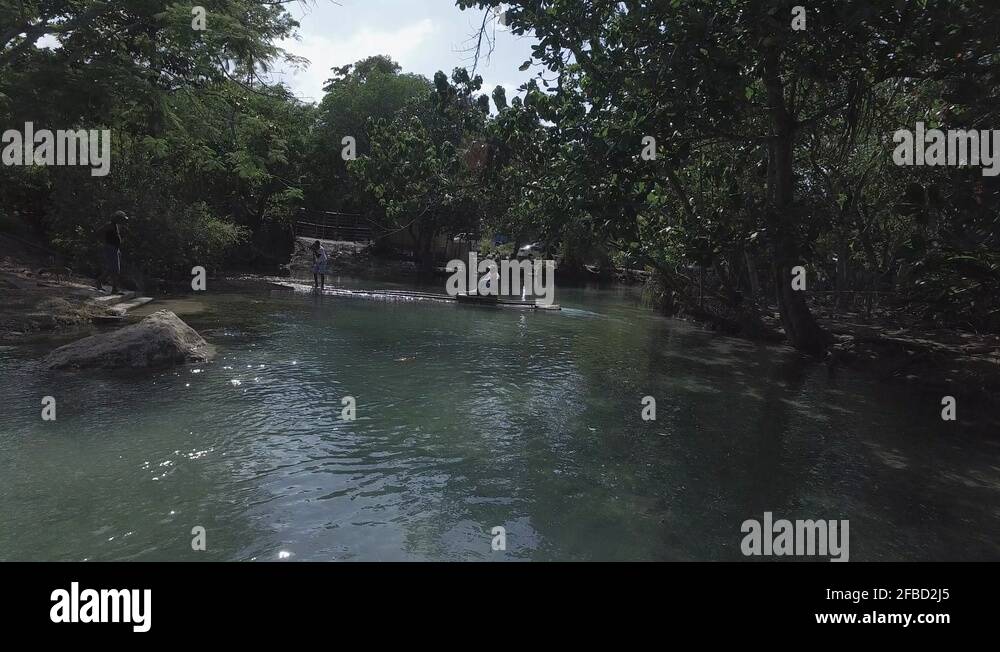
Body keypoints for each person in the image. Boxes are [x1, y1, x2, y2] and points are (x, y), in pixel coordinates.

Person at [95, 210, 128, 293]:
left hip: (115, 249)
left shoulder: (116, 225)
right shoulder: (110, 225)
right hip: (110, 248)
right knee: (115, 269)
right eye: (122, 219)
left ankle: (99, 281)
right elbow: (99, 232)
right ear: (117, 218)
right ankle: (114, 289)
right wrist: (104, 242)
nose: (123, 221)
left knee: (112, 268)